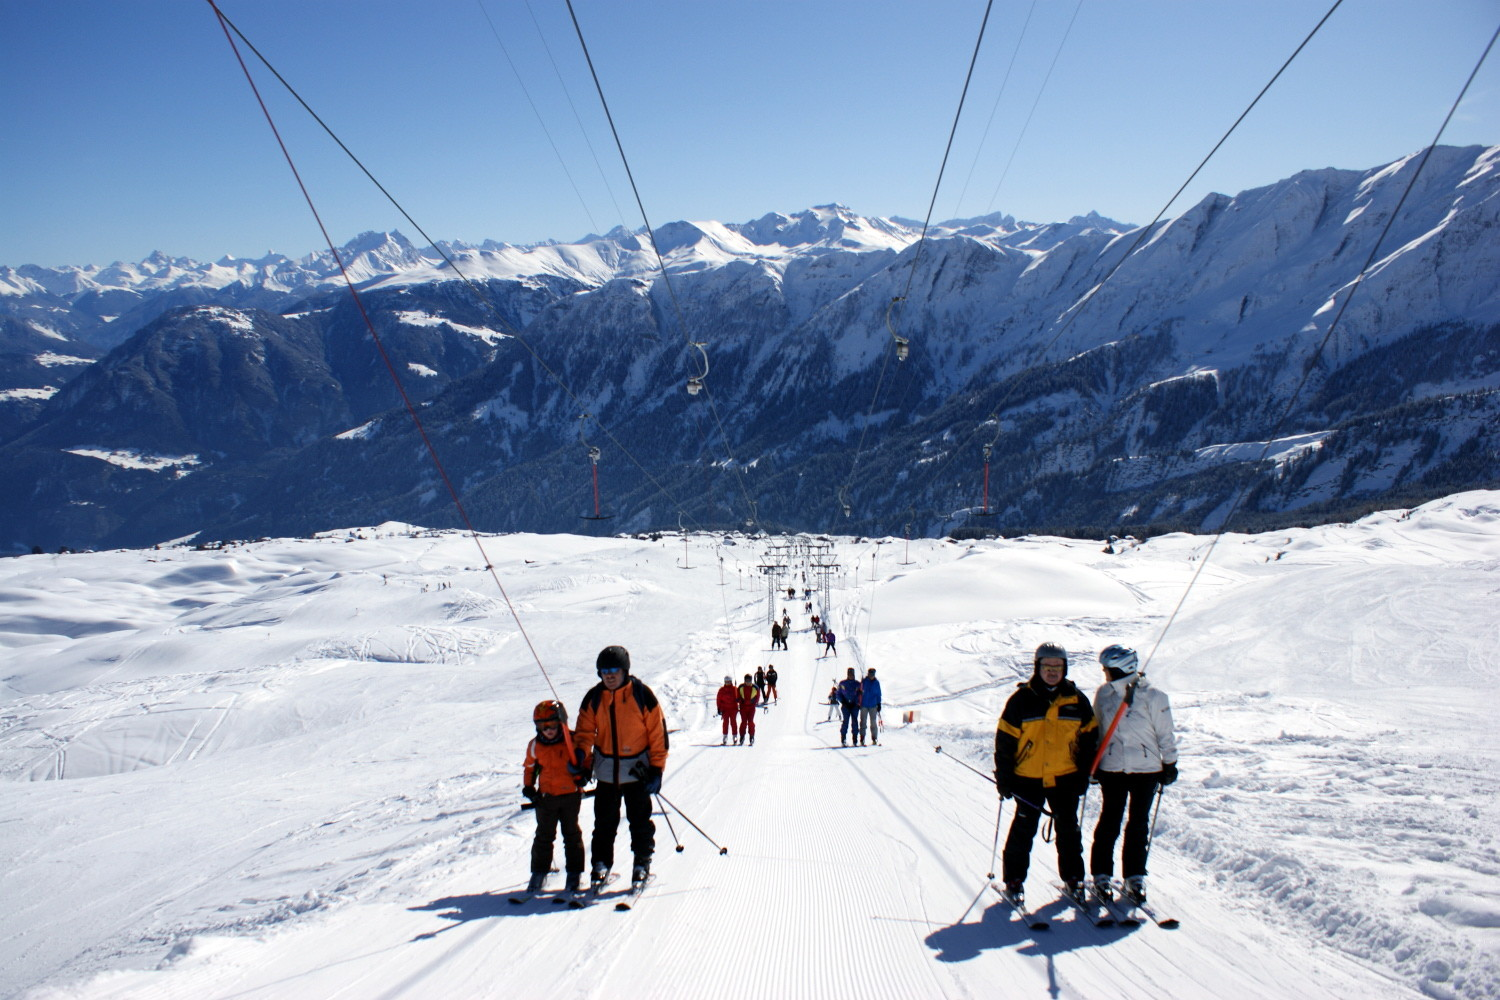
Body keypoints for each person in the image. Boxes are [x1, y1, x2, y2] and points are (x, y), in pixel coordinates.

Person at [994, 642, 1099, 906]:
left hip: (1065, 777)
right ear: (1037, 667)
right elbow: (1005, 742)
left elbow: (1089, 740)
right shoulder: (1020, 700)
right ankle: (1014, 881)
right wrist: (1004, 777)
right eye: (1047, 666)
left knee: (1069, 831)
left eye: (1057, 666)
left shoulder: (1077, 701)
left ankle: (1074, 879)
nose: (1052, 672)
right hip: (1028, 778)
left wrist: (1083, 773)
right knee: (1023, 830)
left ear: (1065, 668)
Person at [1089, 645, 1178, 905]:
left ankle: (1134, 876)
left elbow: (1165, 733)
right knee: (1109, 821)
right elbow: (1098, 731)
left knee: (1138, 824)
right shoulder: (1104, 694)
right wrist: (1093, 765)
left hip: (1146, 770)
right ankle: (1101, 875)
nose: (1104, 673)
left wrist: (1169, 763)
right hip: (1112, 768)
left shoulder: (1154, 697)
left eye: (1107, 669)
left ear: (1121, 669)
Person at [575, 645, 669, 889]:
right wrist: (582, 759)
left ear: (625, 671)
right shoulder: (594, 697)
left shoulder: (642, 695)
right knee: (604, 824)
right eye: (604, 671)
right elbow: (584, 733)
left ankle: (642, 863)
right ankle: (600, 865)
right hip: (606, 773)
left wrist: (657, 769)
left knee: (640, 822)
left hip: (637, 772)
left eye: (614, 670)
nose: (609, 676)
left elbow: (658, 734)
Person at [522, 700, 591, 896]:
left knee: (571, 834)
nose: (548, 730)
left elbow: (587, 758)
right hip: (547, 797)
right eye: (543, 726)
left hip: (570, 795)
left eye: (552, 725)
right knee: (544, 836)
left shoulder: (572, 740)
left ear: (561, 722)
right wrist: (529, 787)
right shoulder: (535, 745)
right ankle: (539, 873)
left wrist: (585, 774)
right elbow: (530, 767)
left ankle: (574, 873)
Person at [835, 667, 862, 746]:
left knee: (855, 722)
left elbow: (860, 695)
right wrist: (843, 702)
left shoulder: (857, 684)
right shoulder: (842, 683)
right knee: (845, 722)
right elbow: (838, 694)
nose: (851, 675)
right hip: (845, 706)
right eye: (849, 674)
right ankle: (843, 739)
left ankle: (855, 740)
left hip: (854, 706)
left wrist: (857, 703)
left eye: (852, 674)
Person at [858, 668, 882, 746]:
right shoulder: (864, 681)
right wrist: (859, 702)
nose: (871, 676)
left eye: (872, 674)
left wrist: (879, 704)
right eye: (870, 674)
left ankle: (874, 738)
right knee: (863, 722)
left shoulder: (876, 683)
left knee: (873, 722)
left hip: (873, 705)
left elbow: (878, 694)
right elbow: (860, 692)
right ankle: (862, 738)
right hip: (864, 705)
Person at [736, 673, 760, 745]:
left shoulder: (755, 687)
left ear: (751, 680)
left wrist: (753, 702)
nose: (748, 682)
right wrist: (740, 701)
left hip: (751, 707)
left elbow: (757, 697)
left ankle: (751, 736)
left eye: (749, 680)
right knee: (743, 722)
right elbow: (738, 696)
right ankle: (742, 736)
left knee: (750, 722)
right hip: (743, 707)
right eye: (746, 680)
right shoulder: (741, 687)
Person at [716, 674, 740, 745]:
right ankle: (725, 736)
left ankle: (735, 736)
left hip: (733, 709)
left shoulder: (734, 689)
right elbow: (719, 699)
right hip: (725, 709)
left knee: (733, 723)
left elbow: (739, 697)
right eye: (726, 682)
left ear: (731, 681)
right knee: (725, 723)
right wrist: (719, 708)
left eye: (729, 681)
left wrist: (738, 701)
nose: (727, 683)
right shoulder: (722, 690)